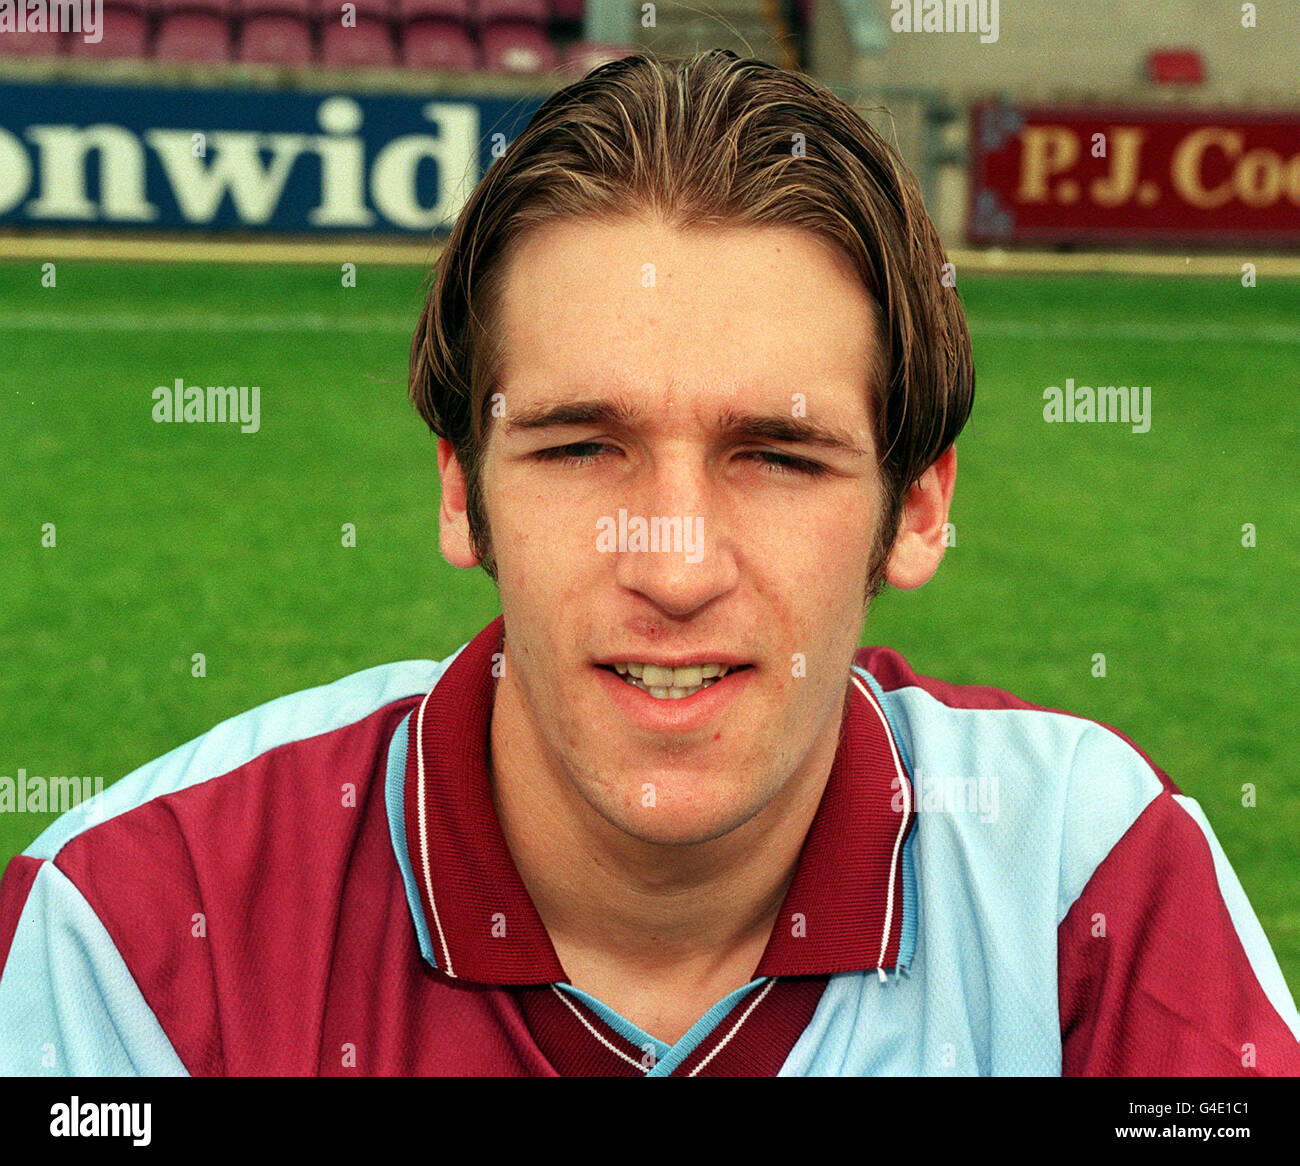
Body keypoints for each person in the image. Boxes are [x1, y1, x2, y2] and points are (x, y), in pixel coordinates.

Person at [1, 50, 1295, 1076]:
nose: (673, 565)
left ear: (918, 507)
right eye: (581, 447)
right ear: (462, 488)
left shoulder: (1087, 883)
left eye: (779, 454)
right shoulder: (136, 931)